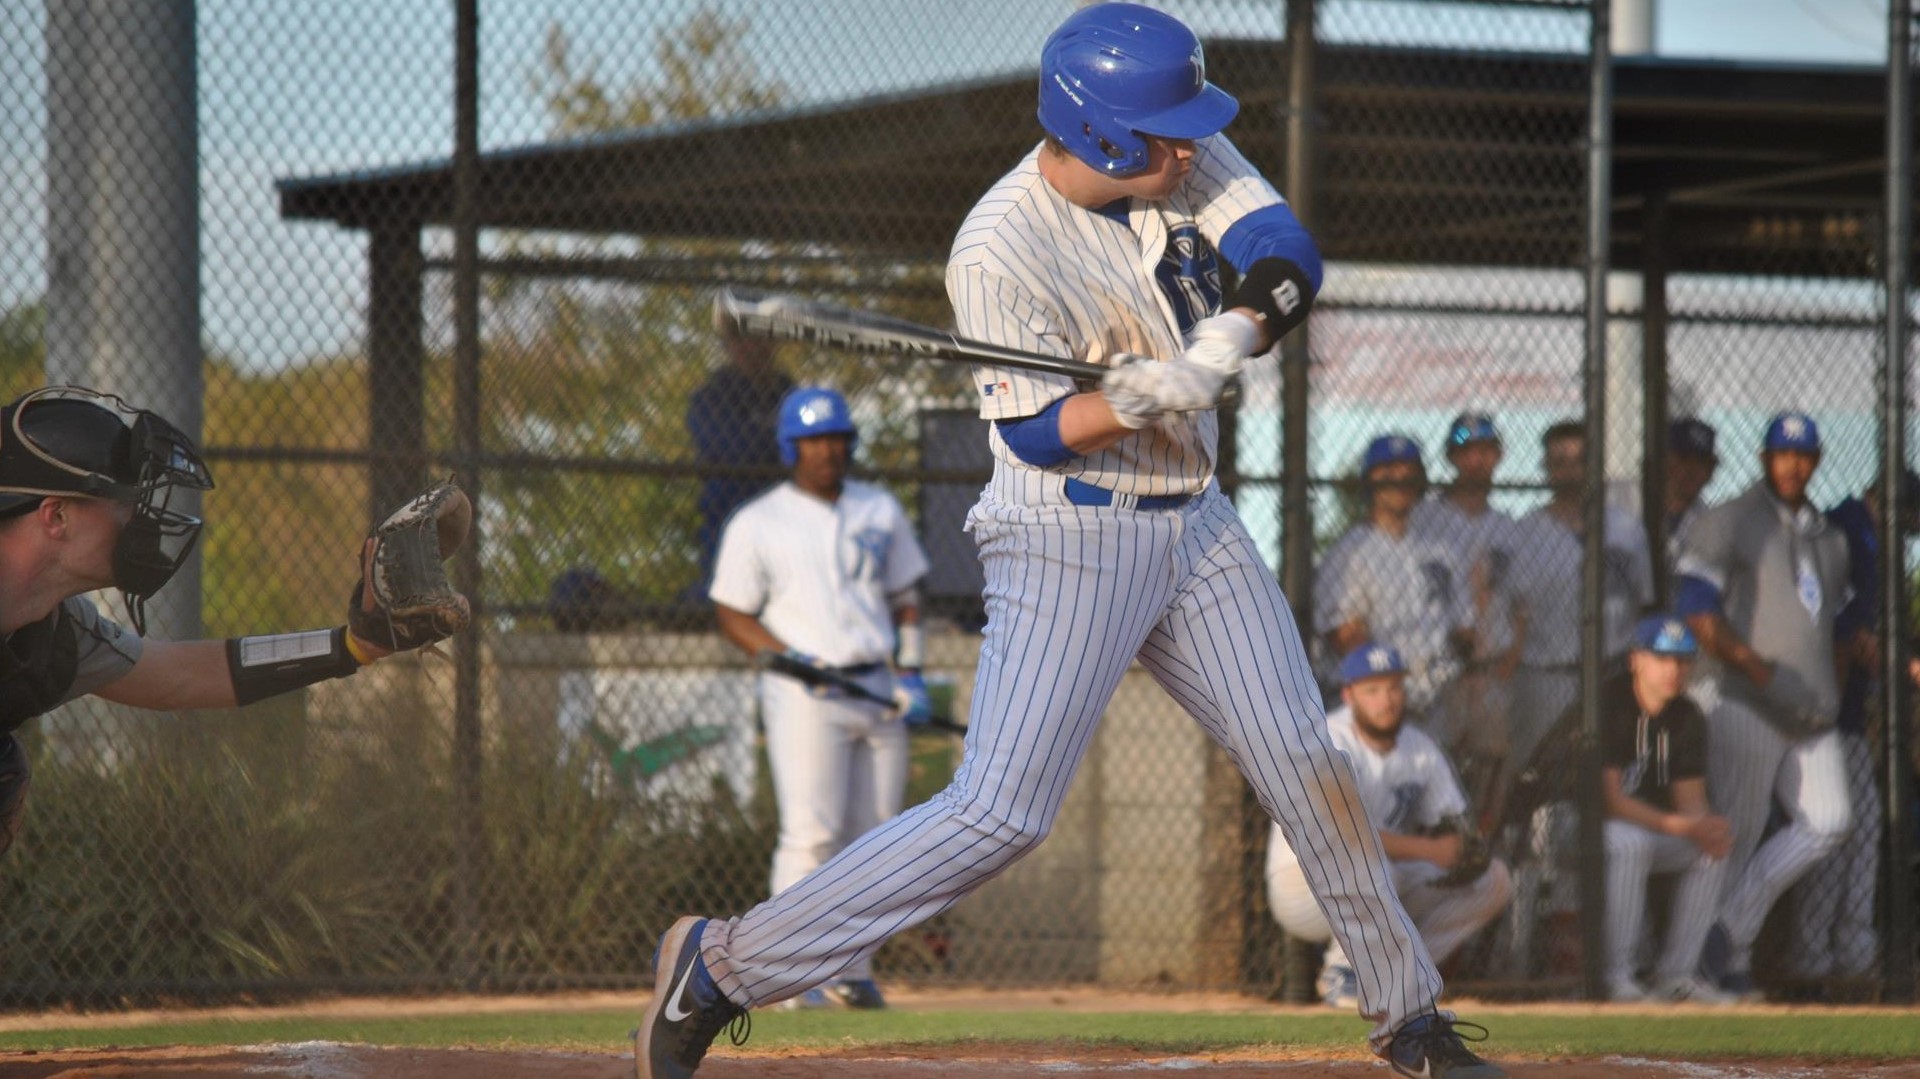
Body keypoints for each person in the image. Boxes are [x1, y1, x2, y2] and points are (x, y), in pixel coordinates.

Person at [636, 7, 1507, 1079]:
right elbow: (1036, 431)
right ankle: (720, 965)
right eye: (1163, 135)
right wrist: (1132, 400)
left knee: (1303, 754)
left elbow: (1285, 252)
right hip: (1067, 529)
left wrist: (1224, 339)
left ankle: (1406, 1012)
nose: (1189, 148)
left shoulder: (1179, 152)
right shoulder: (997, 248)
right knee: (1000, 811)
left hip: (1196, 519)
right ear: (1098, 135)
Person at [0, 385, 458, 857]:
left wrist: (353, 646)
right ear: (56, 516)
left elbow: (176, 677)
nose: (140, 517)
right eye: (123, 502)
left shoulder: (53, 629)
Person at [707, 385, 932, 1011]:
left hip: (877, 687)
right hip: (806, 692)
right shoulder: (759, 521)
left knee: (878, 838)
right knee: (811, 833)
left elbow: (905, 598)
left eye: (835, 438)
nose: (826, 450)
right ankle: (785, 975)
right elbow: (730, 611)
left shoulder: (878, 509)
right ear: (790, 446)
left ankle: (850, 972)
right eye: (812, 440)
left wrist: (910, 673)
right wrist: (786, 656)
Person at [1676, 411, 1851, 1001]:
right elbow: (1695, 606)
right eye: (1782, 453)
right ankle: (1714, 967)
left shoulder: (1830, 537)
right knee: (1738, 832)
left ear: (1817, 460)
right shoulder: (1729, 520)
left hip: (1811, 711)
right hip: (1745, 699)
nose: (1793, 463)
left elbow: (1837, 625)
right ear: (1764, 457)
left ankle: (1725, 934)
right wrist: (1753, 665)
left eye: (1803, 454)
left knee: (1830, 820)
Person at [1266, 643, 1511, 1010]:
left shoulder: (1419, 747)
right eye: (1373, 690)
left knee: (1493, 881)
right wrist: (1432, 850)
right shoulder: (1330, 740)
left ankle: (1405, 973)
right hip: (1300, 886)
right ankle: (1343, 975)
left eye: (1394, 687)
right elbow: (1347, 835)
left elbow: (1455, 822)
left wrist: (1462, 845)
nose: (1387, 699)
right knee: (1380, 869)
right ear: (1349, 695)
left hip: (1375, 882)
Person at [1783, 470, 1916, 982]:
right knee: (1835, 834)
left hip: (1847, 715)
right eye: (1907, 519)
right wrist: (1904, 669)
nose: (1907, 531)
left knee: (1860, 833)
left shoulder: (1863, 534)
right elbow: (1844, 636)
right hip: (1825, 715)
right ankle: (1816, 956)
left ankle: (1849, 952)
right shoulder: (1846, 531)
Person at [1598, 616, 1734, 1003]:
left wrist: (1704, 828)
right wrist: (1682, 826)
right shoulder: (1609, 701)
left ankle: (1677, 976)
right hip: (1565, 821)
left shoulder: (1686, 715)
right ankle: (1616, 976)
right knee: (1631, 843)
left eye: (1682, 660)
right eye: (1661, 658)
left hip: (1638, 826)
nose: (1674, 669)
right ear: (1635, 659)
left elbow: (1690, 805)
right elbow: (1609, 801)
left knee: (1711, 849)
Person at [1409, 412, 1523, 807]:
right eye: (1466, 452)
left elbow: (1520, 600)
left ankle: (1485, 855)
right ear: (1451, 458)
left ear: (1498, 456)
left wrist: (1514, 652)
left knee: (1493, 773)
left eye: (1485, 451)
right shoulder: (1425, 518)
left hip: (1493, 669)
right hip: (1441, 665)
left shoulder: (1508, 526)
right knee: (1439, 765)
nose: (1476, 461)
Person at [1316, 434, 1472, 720]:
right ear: (1370, 481)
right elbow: (1345, 635)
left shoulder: (1441, 552)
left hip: (1440, 700)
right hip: (1372, 700)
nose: (1399, 482)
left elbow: (1465, 631)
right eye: (1388, 473)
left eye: (1408, 473)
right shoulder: (1349, 553)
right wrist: (1394, 685)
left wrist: (1445, 675)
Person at [685, 321, 793, 592]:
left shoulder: (791, 395)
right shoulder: (711, 398)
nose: (753, 347)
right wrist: (782, 446)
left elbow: (822, 449)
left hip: (791, 519)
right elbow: (733, 449)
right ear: (729, 346)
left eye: (761, 338)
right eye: (742, 339)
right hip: (729, 518)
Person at [1662, 417, 1720, 577]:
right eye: (1683, 459)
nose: (1691, 471)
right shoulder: (1627, 503)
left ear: (1710, 471)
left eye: (1700, 462)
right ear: (1665, 460)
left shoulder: (1713, 526)